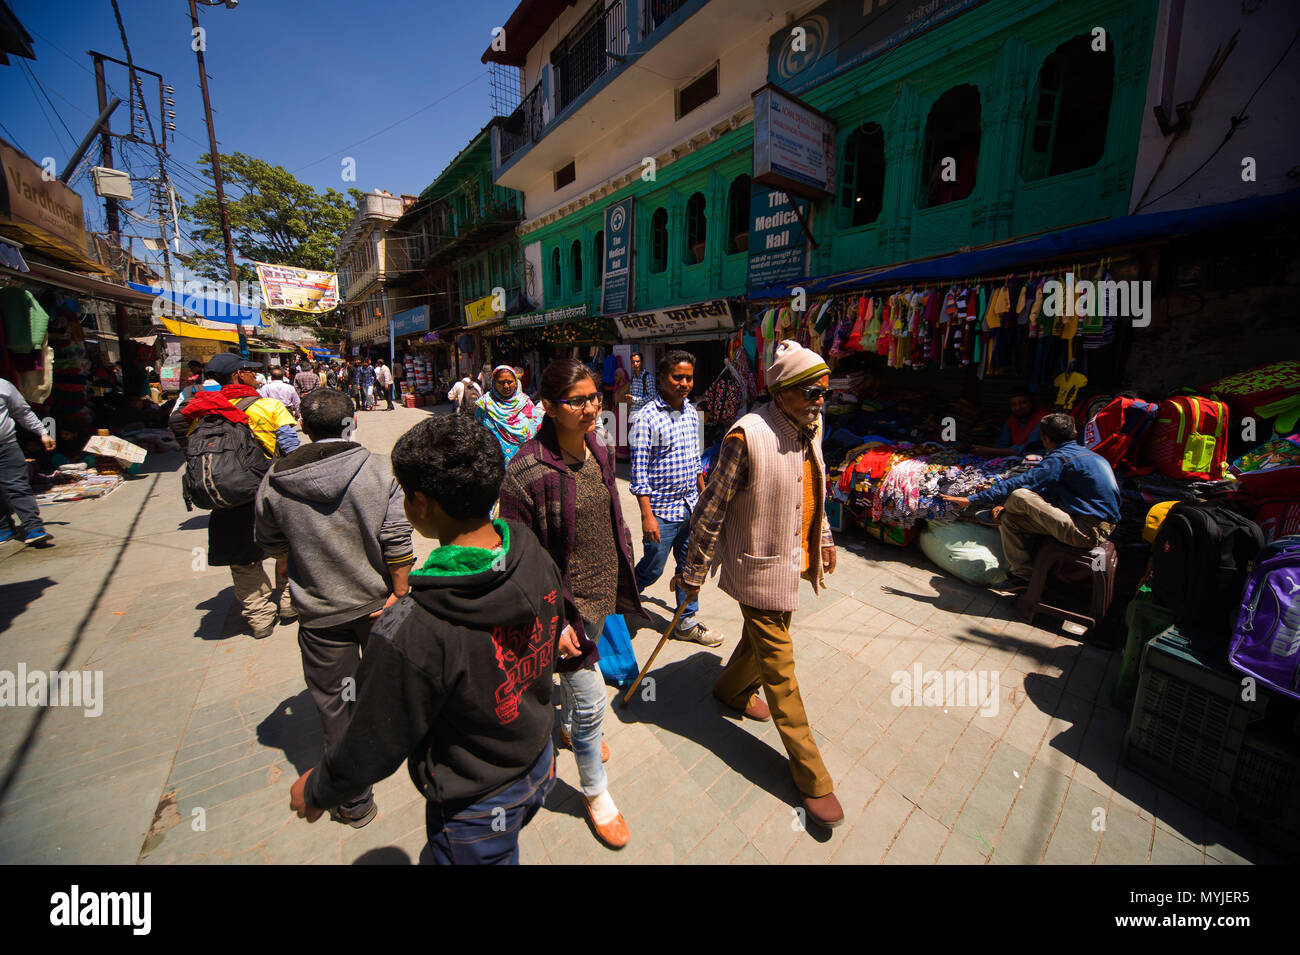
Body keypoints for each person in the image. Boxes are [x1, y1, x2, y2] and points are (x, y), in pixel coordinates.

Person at [289, 413, 573, 865]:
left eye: (404, 494)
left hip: (475, 803)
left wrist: (320, 788)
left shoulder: (412, 626)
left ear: (421, 503)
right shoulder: (528, 550)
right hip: (540, 760)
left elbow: (373, 740)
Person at [676, 340, 844, 830]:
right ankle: (812, 775)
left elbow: (815, 486)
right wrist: (691, 574)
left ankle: (728, 690)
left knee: (762, 642)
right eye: (810, 391)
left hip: (791, 560)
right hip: (757, 566)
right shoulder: (746, 435)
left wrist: (826, 538)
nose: (819, 400)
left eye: (823, 392)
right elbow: (712, 507)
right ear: (782, 390)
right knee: (781, 668)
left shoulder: (812, 428)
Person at [499, 358, 645, 850]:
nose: (591, 408)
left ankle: (568, 729)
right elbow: (520, 559)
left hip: (604, 590)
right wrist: (555, 616)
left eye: (594, 397)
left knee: (577, 702)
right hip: (564, 607)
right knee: (590, 702)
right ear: (547, 406)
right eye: (577, 400)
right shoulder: (525, 473)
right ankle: (595, 793)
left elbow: (611, 514)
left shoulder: (597, 447)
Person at [256, 387, 414, 828]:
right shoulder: (379, 470)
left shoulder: (274, 480)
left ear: (303, 428)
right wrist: (400, 595)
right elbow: (397, 539)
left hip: (321, 615)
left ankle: (354, 800)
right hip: (381, 604)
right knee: (402, 685)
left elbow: (269, 541)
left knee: (335, 704)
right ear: (355, 422)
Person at [171, 353, 300, 639]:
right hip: (270, 490)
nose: (255, 376)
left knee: (243, 561)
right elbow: (291, 450)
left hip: (228, 498)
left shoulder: (202, 410)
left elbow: (189, 446)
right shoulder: (269, 407)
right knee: (291, 548)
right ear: (239, 375)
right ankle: (291, 601)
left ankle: (260, 617)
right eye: (250, 371)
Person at [941, 412, 1121, 588]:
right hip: (1090, 525)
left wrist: (972, 499)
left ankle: (998, 512)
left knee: (1020, 494)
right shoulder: (1088, 455)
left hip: (1086, 531)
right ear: (1074, 434)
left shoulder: (1060, 458)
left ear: (1043, 436)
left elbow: (1024, 482)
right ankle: (1021, 577)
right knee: (1009, 520)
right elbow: (1045, 488)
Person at [629, 349, 720, 647]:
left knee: (689, 566)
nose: (684, 383)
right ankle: (622, 596)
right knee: (653, 568)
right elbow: (639, 471)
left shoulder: (693, 412)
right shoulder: (646, 418)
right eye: (677, 377)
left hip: (690, 507)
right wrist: (646, 515)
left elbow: (695, 459)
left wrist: (703, 494)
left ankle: (686, 621)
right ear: (662, 379)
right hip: (660, 512)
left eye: (688, 378)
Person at [0, 377, 57, 546]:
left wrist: (42, 432)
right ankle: (4, 527)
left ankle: (34, 527)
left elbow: (23, 412)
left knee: (17, 485)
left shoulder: (3, 385)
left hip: (6, 446)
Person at [474, 365, 541, 465]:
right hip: (495, 465)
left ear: (516, 382)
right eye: (501, 382)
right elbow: (478, 436)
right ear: (494, 383)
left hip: (525, 465)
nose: (506, 386)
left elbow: (537, 432)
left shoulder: (527, 404)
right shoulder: (485, 406)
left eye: (510, 382)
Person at [972, 386, 1046, 457]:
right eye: (1014, 404)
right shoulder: (1012, 419)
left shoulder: (1043, 419)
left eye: (1023, 402)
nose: (1018, 407)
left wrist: (989, 451)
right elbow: (1003, 443)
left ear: (1031, 402)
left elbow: (1028, 448)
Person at [627, 352, 656, 422]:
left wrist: (634, 400)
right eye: (633, 362)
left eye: (637, 361)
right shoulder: (633, 378)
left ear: (642, 362)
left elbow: (652, 396)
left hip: (644, 415)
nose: (635, 364)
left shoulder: (648, 377)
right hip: (633, 415)